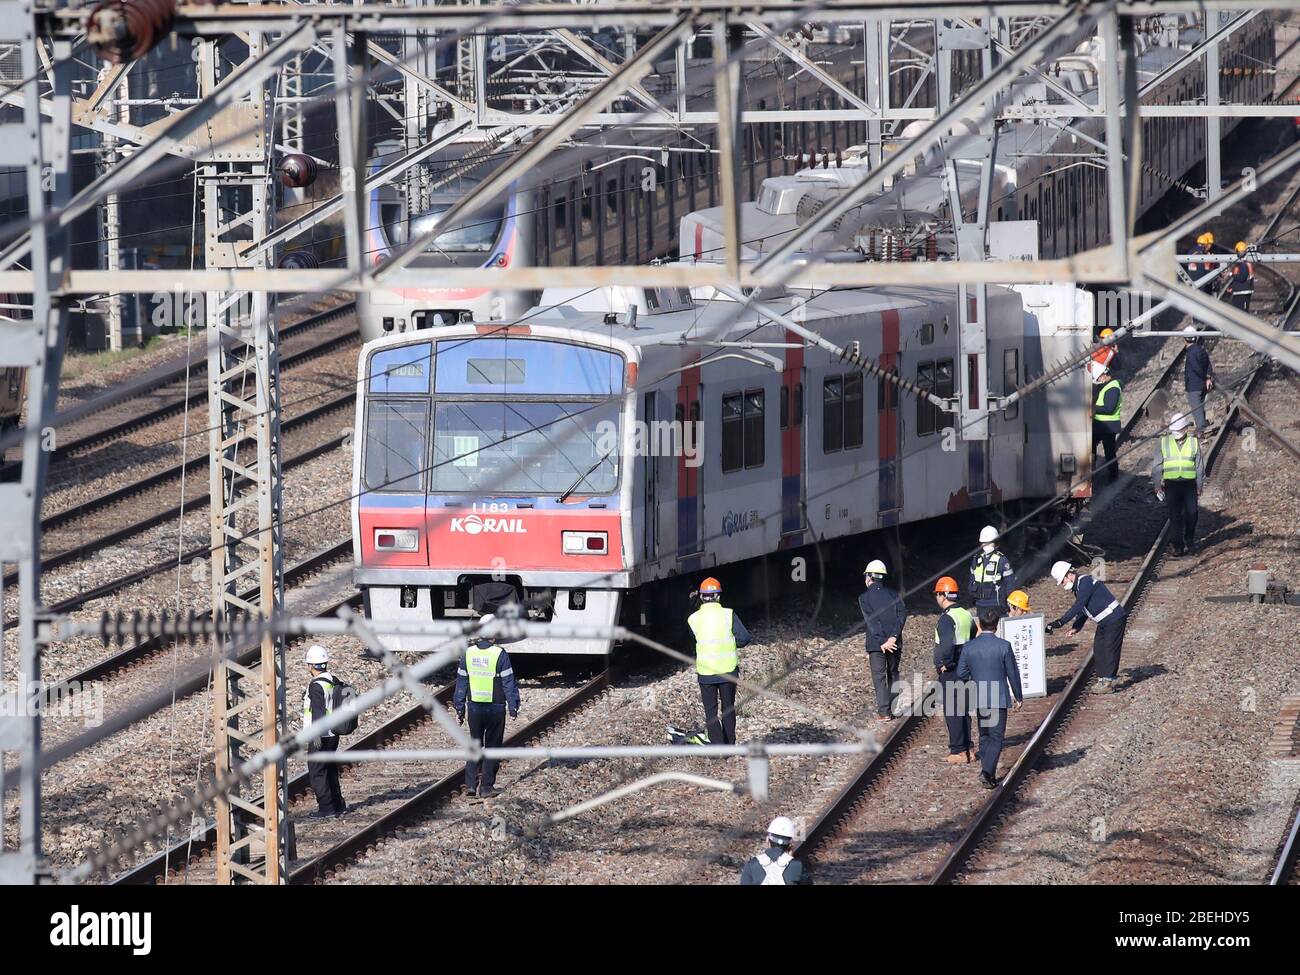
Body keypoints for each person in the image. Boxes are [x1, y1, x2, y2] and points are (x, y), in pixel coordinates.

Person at [454, 614, 521, 799]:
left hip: (474, 707)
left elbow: (461, 684)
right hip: (495, 708)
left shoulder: (468, 653)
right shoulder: (499, 654)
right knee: (492, 747)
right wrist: (513, 706)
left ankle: (469, 785)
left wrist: (459, 708)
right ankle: (486, 788)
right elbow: (509, 683)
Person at [956, 608, 1023, 789]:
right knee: (996, 737)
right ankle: (986, 772)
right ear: (996, 625)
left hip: (979, 697)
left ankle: (988, 773)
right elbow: (1012, 673)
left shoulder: (969, 647)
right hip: (998, 697)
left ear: (979, 624)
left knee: (985, 735)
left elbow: (961, 673)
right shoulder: (1004, 646)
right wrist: (1018, 696)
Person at [687, 577, 752, 746]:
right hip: (728, 671)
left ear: (701, 597)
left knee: (711, 712)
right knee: (728, 708)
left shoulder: (693, 619)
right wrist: (731, 643)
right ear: (718, 596)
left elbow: (694, 640)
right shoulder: (728, 614)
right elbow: (744, 638)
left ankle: (717, 749)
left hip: (706, 673)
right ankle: (730, 746)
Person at [1047, 561, 1128, 694]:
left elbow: (1078, 606)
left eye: (1062, 581)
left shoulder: (1086, 582)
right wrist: (1076, 627)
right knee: (1098, 648)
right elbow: (1083, 610)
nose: (1062, 585)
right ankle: (1102, 678)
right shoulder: (1078, 587)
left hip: (1114, 618)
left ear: (1069, 574)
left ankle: (1108, 681)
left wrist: (1060, 622)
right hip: (1104, 621)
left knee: (1109, 648)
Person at [859, 560, 908, 723]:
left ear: (869, 577)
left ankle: (884, 712)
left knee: (879, 677)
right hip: (894, 642)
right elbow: (902, 614)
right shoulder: (894, 595)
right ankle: (893, 708)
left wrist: (881, 641)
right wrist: (893, 636)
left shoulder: (864, 598)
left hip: (876, 644)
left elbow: (872, 621)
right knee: (893, 673)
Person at [932, 576, 973, 765]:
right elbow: (973, 634)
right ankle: (969, 748)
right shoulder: (965, 614)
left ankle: (958, 751)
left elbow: (947, 645)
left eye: (937, 594)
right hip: (965, 667)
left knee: (953, 710)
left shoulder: (947, 619)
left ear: (943, 595)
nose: (937, 598)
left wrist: (945, 664)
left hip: (952, 670)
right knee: (964, 709)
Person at [303, 644, 346, 817]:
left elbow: (318, 713)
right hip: (333, 734)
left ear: (311, 665)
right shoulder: (333, 680)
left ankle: (327, 809)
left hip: (319, 735)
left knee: (317, 772)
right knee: (329, 769)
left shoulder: (316, 686)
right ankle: (338, 805)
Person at [1152, 412, 1204, 556]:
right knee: (1175, 517)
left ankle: (1189, 538)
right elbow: (1157, 465)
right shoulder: (1163, 442)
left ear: (1185, 429)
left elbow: (1199, 465)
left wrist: (1199, 484)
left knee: (1192, 513)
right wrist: (1157, 484)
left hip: (1189, 484)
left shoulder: (1193, 442)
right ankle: (1178, 546)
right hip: (1171, 484)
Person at [739, 816, 804, 885]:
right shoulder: (798, 866)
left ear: (767, 840)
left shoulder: (751, 865)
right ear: (790, 845)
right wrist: (790, 859)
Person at [968, 525, 1017, 611]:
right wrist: (972, 597)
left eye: (989, 542)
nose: (986, 545)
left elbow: (1010, 583)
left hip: (997, 604)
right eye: (984, 543)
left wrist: (1009, 602)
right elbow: (972, 581)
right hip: (980, 603)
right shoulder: (976, 559)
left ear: (996, 543)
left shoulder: (1002, 560)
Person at [1091, 361, 1123, 486]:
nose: (1098, 381)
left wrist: (1093, 409)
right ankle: (1092, 471)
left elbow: (1109, 408)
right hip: (1101, 425)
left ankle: (1114, 475)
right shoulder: (1108, 386)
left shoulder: (1113, 387)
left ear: (1103, 375)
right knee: (1092, 447)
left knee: (1109, 452)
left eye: (1098, 378)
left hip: (1108, 426)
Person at [1183, 324, 1215, 436]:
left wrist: (1206, 377)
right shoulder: (1201, 350)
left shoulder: (1191, 353)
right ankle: (1203, 426)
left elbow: (1196, 368)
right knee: (1200, 407)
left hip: (1194, 387)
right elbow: (1208, 364)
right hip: (1202, 386)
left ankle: (1201, 431)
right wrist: (1208, 377)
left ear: (1185, 339)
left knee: (1196, 408)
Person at [1224, 241, 1255, 312]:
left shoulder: (1243, 264)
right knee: (1240, 311)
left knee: (1241, 312)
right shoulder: (1244, 263)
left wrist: (1231, 274)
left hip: (1242, 291)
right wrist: (1233, 287)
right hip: (1242, 291)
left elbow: (1241, 278)